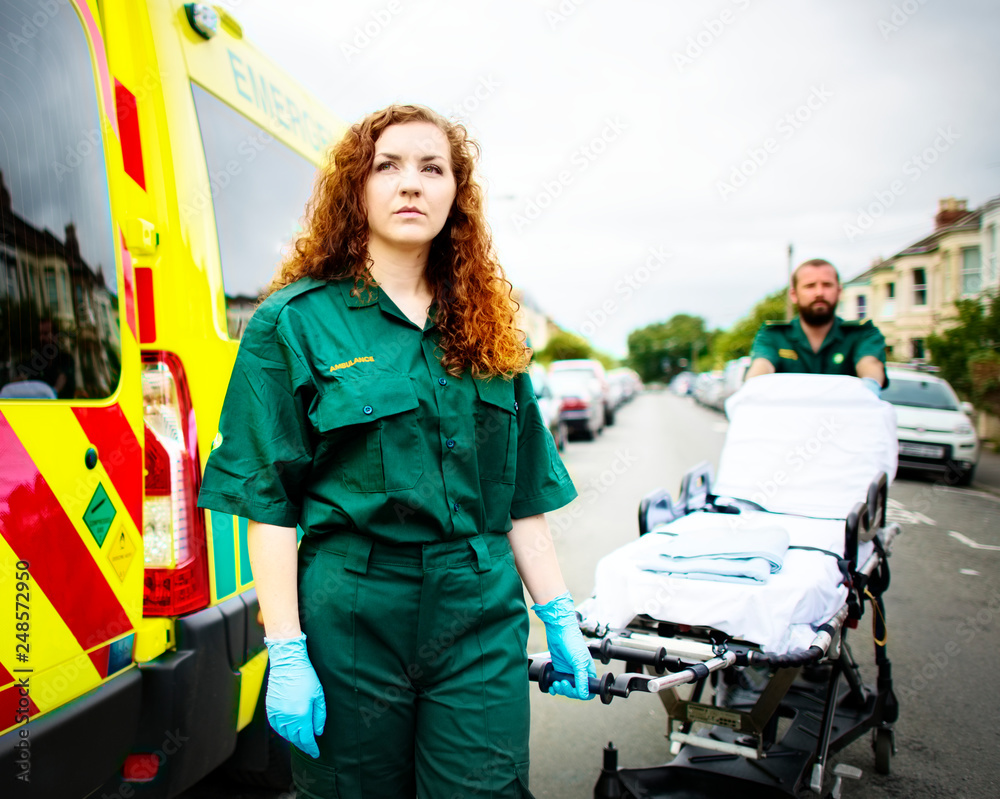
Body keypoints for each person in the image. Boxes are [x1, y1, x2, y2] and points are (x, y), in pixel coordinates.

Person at [197, 104, 595, 798]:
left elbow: (522, 496)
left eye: (431, 167)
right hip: (351, 615)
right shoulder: (292, 321)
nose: (410, 183)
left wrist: (558, 612)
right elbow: (269, 505)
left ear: (456, 195)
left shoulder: (491, 331)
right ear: (358, 188)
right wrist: (286, 646)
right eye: (388, 165)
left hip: (478, 612)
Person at [744, 259, 887, 395]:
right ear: (794, 295)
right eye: (810, 286)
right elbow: (761, 365)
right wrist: (753, 388)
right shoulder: (773, 335)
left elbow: (870, 365)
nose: (819, 293)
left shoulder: (863, 333)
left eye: (827, 285)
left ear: (839, 291)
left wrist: (870, 388)